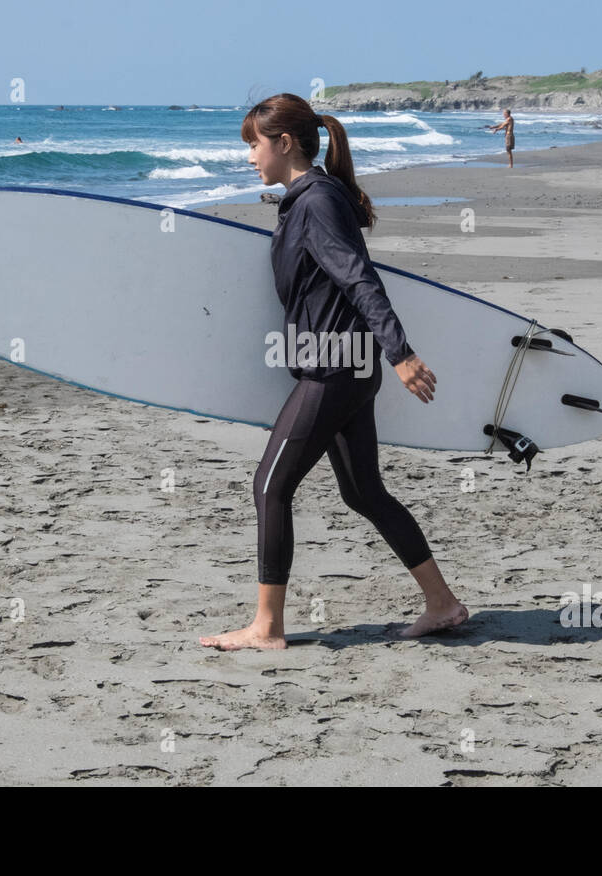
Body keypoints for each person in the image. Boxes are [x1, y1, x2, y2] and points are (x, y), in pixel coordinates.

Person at [200, 93, 468, 651]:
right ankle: (442, 603)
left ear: (285, 143)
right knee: (365, 492)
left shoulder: (317, 201)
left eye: (253, 143)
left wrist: (401, 353)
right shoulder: (311, 198)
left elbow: (360, 279)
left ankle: (267, 627)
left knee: (270, 486)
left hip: (332, 371)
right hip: (342, 366)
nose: (249, 155)